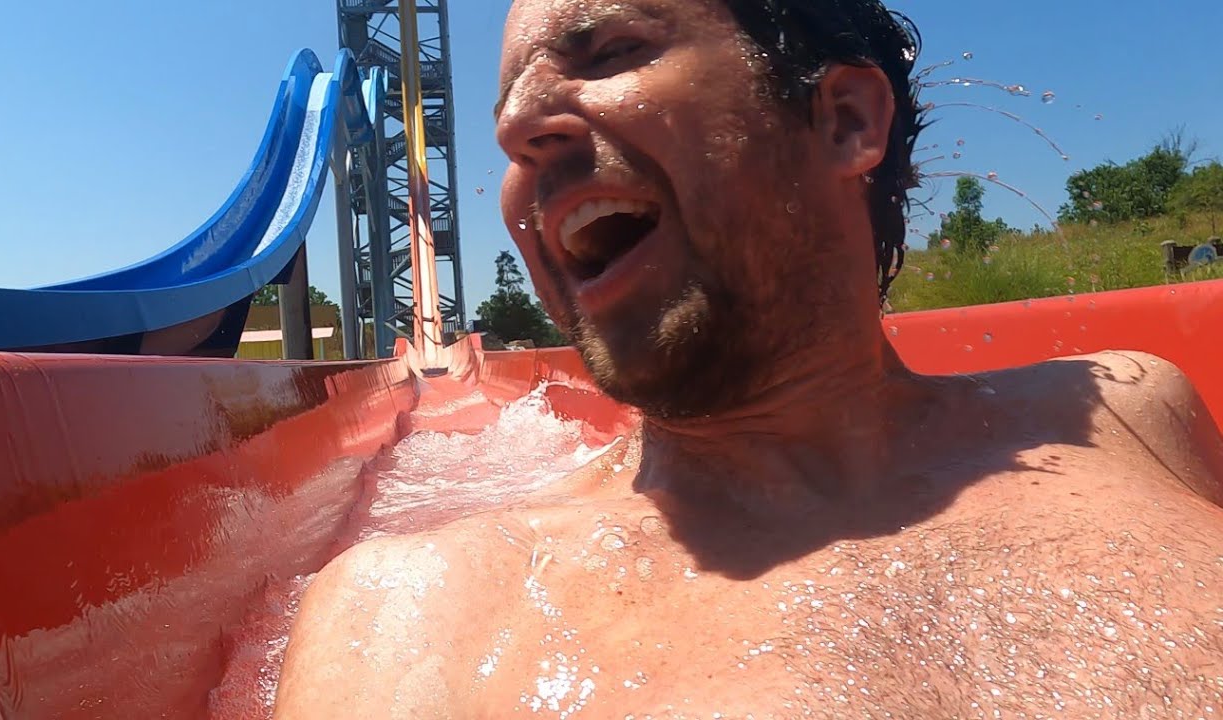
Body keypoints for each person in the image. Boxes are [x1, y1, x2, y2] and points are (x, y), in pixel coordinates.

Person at [275, 0, 1223, 716]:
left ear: (847, 120)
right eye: (505, 115)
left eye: (608, 51)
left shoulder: (1134, 411)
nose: (517, 134)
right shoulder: (409, 621)